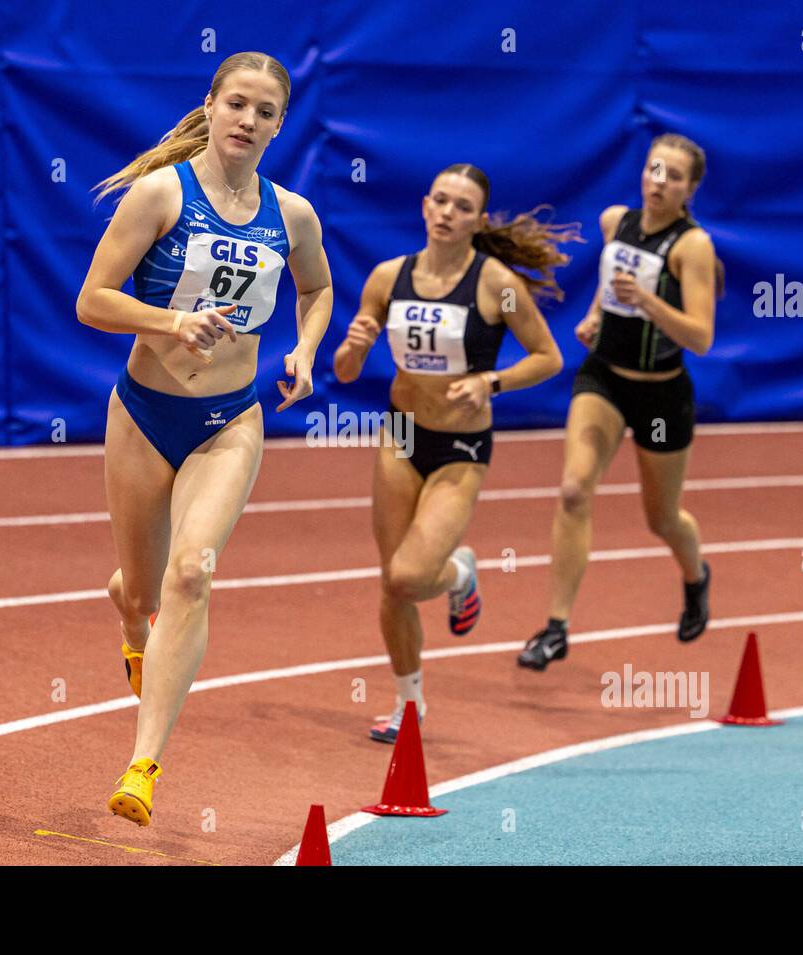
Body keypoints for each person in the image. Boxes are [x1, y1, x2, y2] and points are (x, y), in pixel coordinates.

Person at [76, 52, 332, 824]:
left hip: (231, 421)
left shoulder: (292, 214)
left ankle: (142, 763)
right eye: (237, 105)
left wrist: (305, 352)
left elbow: (317, 289)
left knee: (192, 572)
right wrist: (169, 321)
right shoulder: (162, 193)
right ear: (212, 106)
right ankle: (128, 612)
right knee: (145, 587)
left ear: (279, 125)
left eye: (264, 112)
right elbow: (92, 299)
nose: (248, 121)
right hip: (145, 415)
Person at [334, 164, 574, 741]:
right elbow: (344, 371)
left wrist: (490, 383)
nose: (447, 213)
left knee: (414, 575)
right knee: (392, 582)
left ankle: (461, 572)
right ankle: (409, 703)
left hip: (461, 444)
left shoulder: (496, 284)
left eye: (461, 206)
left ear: (477, 220)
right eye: (440, 201)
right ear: (424, 206)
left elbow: (548, 357)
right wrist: (354, 346)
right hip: (402, 436)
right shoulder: (388, 277)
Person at [519, 133, 722, 671]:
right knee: (572, 489)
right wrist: (596, 315)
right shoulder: (616, 221)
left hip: (661, 393)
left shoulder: (692, 247)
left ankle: (695, 576)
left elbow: (701, 337)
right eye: (655, 169)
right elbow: (612, 284)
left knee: (661, 519)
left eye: (673, 176)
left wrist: (649, 302)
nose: (659, 181)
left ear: (690, 189)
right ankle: (556, 627)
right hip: (604, 378)